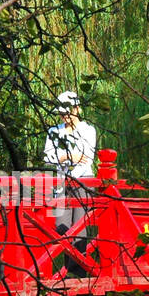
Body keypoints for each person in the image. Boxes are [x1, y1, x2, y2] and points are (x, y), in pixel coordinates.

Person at [43, 90, 97, 276]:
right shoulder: (53, 131)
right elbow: (48, 158)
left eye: (68, 111)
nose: (65, 115)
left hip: (83, 184)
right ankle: (67, 273)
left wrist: (61, 157)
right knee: (62, 229)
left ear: (77, 108)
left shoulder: (88, 131)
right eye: (62, 112)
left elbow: (86, 157)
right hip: (60, 185)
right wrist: (68, 156)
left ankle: (80, 274)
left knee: (80, 229)